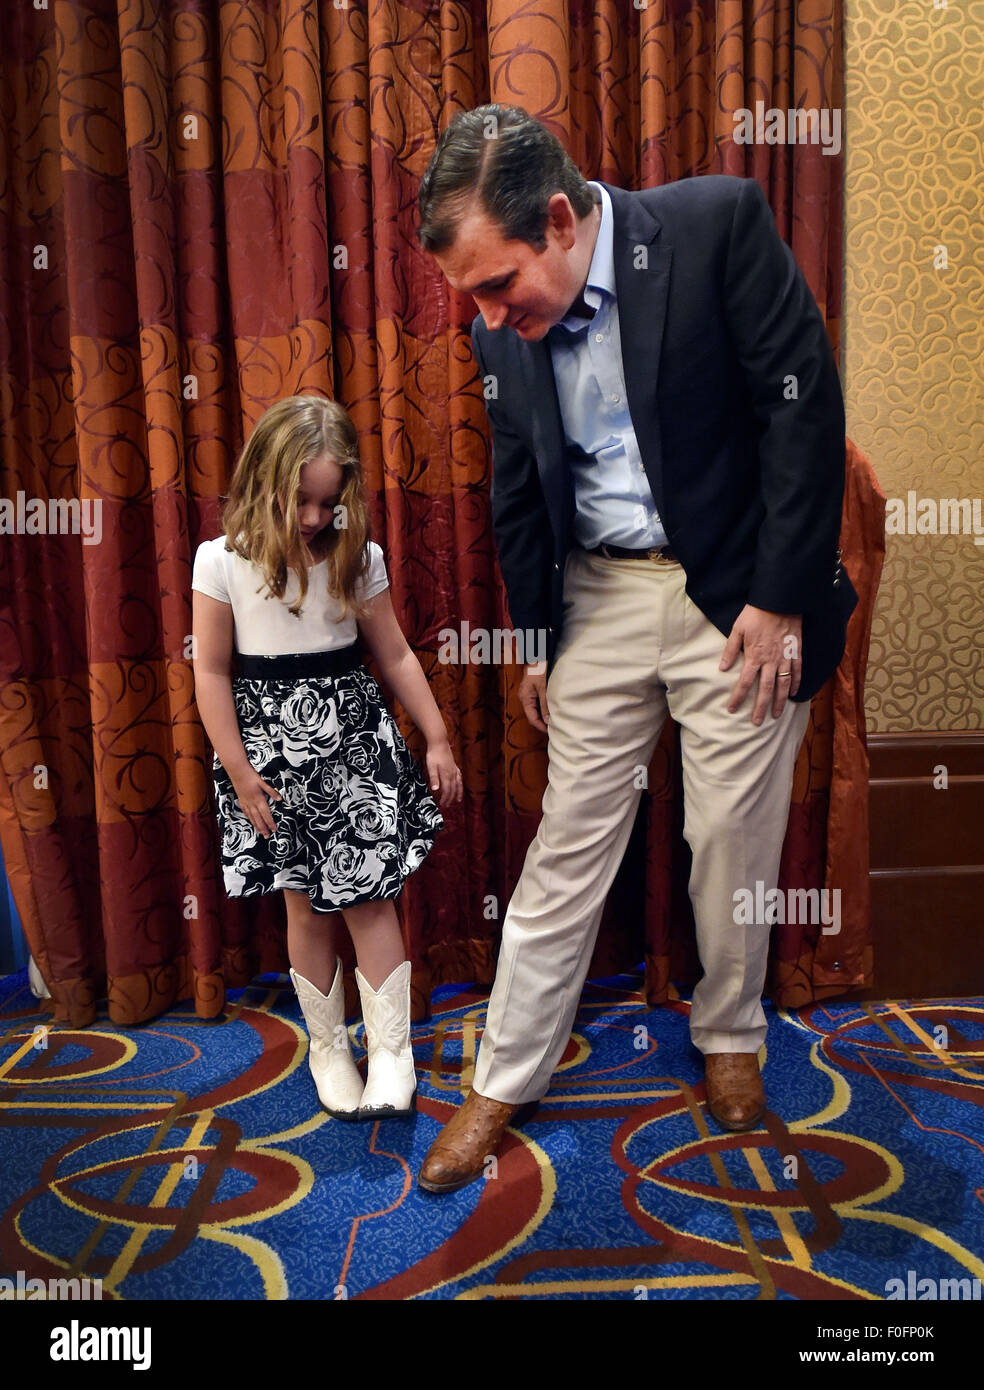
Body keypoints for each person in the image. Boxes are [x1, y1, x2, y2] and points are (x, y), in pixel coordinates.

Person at [413, 105, 859, 1193]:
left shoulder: (716, 226)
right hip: (600, 594)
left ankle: (733, 1037)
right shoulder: (496, 336)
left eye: (495, 282)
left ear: (560, 220)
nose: (484, 314)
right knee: (567, 841)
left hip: (737, 595)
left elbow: (802, 410)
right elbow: (520, 493)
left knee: (729, 835)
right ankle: (502, 1076)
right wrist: (536, 642)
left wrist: (781, 597)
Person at [191, 394, 462, 1121]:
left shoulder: (357, 555)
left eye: (327, 501)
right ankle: (328, 1047)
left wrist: (435, 735)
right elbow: (211, 673)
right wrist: (241, 772)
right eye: (300, 501)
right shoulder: (219, 561)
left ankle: (393, 1052)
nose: (314, 519)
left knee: (370, 898)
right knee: (306, 907)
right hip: (269, 756)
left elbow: (396, 652)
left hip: (352, 742)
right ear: (262, 480)